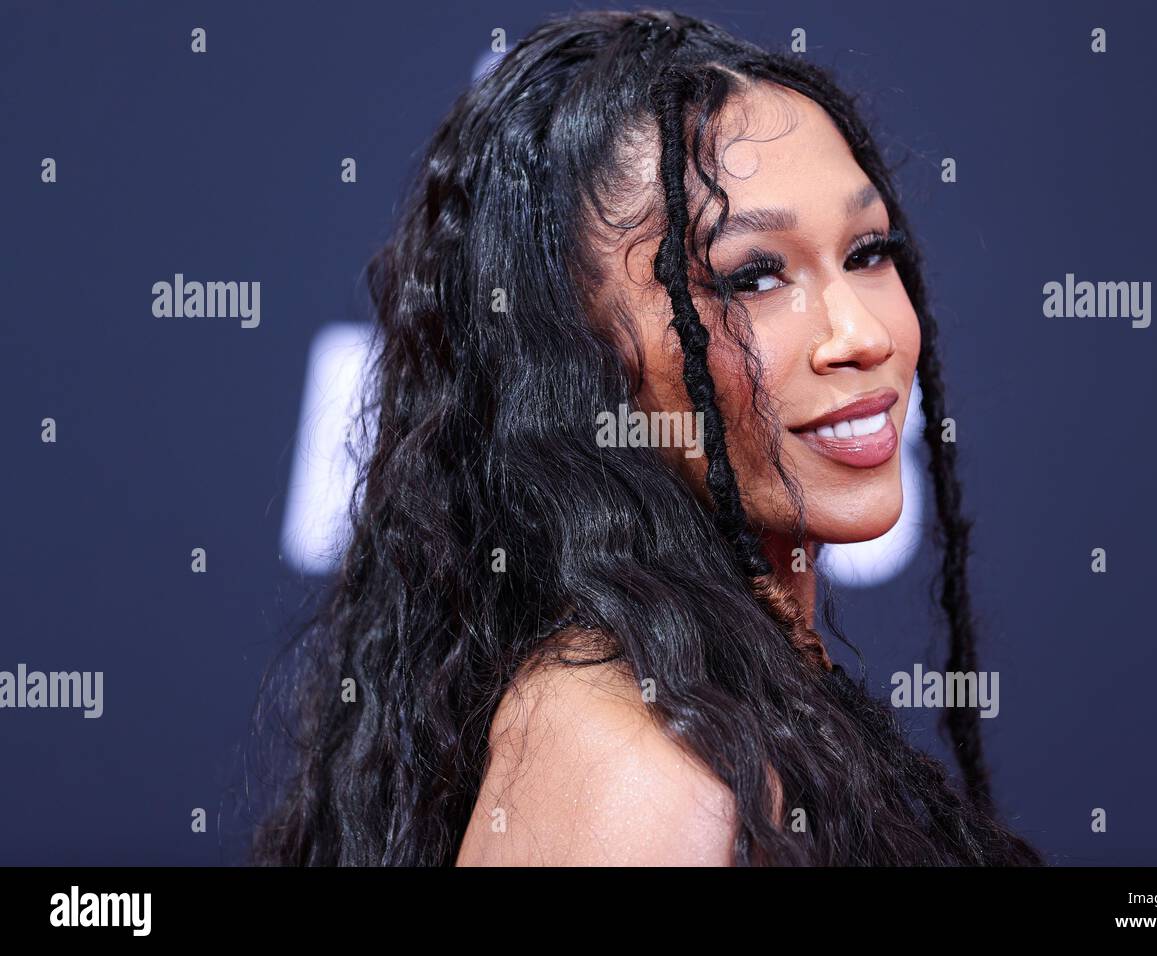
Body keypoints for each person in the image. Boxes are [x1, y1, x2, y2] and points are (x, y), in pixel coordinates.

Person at [252, 8, 1041, 866]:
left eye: (866, 251)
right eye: (755, 276)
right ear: (579, 356)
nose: (862, 333)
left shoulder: (732, 693)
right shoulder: (627, 756)